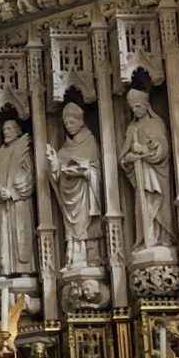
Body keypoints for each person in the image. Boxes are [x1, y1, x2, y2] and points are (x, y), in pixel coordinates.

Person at [47, 100, 102, 270]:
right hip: (70, 197)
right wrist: (53, 163)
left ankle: (92, 259)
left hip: (86, 193)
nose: (68, 126)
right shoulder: (65, 148)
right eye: (66, 123)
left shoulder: (90, 142)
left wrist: (85, 172)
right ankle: (73, 260)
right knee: (72, 228)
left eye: (72, 122)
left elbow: (97, 170)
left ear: (81, 121)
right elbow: (56, 176)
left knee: (88, 227)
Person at [119, 86, 172, 250]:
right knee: (143, 207)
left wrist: (146, 149)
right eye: (133, 108)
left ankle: (163, 236)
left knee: (158, 201)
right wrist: (128, 159)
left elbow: (163, 146)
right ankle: (147, 238)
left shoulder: (156, 123)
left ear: (146, 106)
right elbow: (123, 155)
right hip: (140, 174)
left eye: (138, 106)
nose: (135, 110)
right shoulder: (131, 128)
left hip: (157, 173)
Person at [0, 115, 37, 277]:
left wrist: (14, 191)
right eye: (4, 130)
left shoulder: (23, 151)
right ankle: (5, 271)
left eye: (9, 129)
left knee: (21, 235)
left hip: (19, 202)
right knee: (4, 238)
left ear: (17, 131)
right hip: (3, 203)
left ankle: (25, 271)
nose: (5, 132)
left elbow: (28, 174)